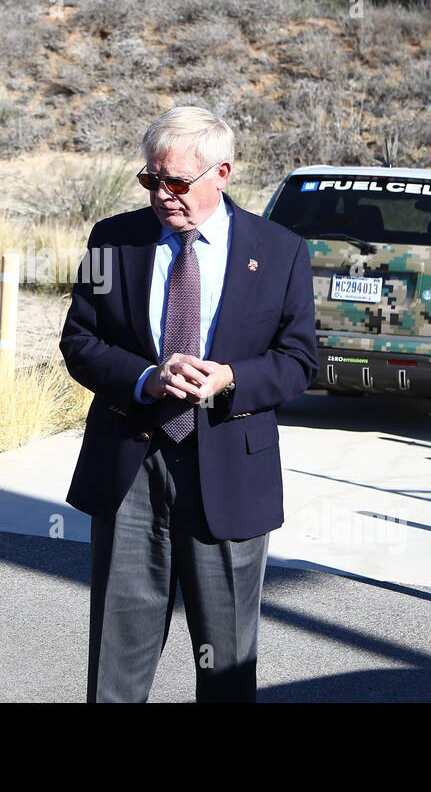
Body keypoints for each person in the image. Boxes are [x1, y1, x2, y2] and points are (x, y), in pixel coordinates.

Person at [59, 105, 318, 702]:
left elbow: (300, 360)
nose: (162, 195)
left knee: (225, 666)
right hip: (131, 469)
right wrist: (146, 375)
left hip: (228, 471)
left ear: (221, 173)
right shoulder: (111, 240)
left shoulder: (280, 251)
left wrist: (230, 378)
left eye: (176, 182)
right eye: (151, 180)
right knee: (115, 663)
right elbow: (80, 342)